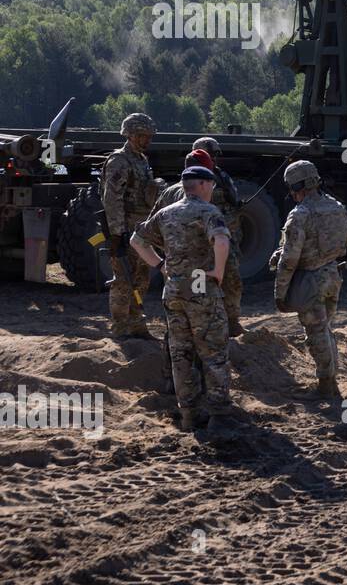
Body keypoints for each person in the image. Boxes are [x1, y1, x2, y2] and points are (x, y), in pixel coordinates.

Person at [129, 166, 234, 432]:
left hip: (173, 289)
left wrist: (161, 266)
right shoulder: (209, 212)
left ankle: (188, 414)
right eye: (211, 185)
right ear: (202, 185)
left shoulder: (166, 213)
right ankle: (219, 416)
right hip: (201, 287)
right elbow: (221, 242)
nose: (212, 190)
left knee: (181, 352)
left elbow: (136, 241)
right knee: (213, 351)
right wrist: (218, 271)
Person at [270, 161, 347, 399]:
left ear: (296, 187)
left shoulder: (299, 215)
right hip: (333, 276)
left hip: (310, 281)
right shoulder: (336, 206)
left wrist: (280, 294)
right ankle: (331, 381)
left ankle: (326, 387)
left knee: (316, 333)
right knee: (326, 328)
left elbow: (289, 260)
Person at [151, 138, 245, 337]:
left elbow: (149, 228)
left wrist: (165, 252)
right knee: (202, 296)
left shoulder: (171, 191)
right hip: (202, 256)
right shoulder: (205, 188)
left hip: (179, 258)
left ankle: (192, 333)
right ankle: (217, 329)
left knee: (185, 300)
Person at [102, 113, 159, 339]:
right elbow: (111, 199)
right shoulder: (119, 161)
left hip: (141, 230)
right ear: (132, 135)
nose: (148, 140)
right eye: (144, 136)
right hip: (125, 229)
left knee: (142, 279)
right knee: (123, 280)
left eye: (149, 136)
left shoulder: (141, 160)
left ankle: (137, 323)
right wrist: (117, 233)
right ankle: (120, 327)